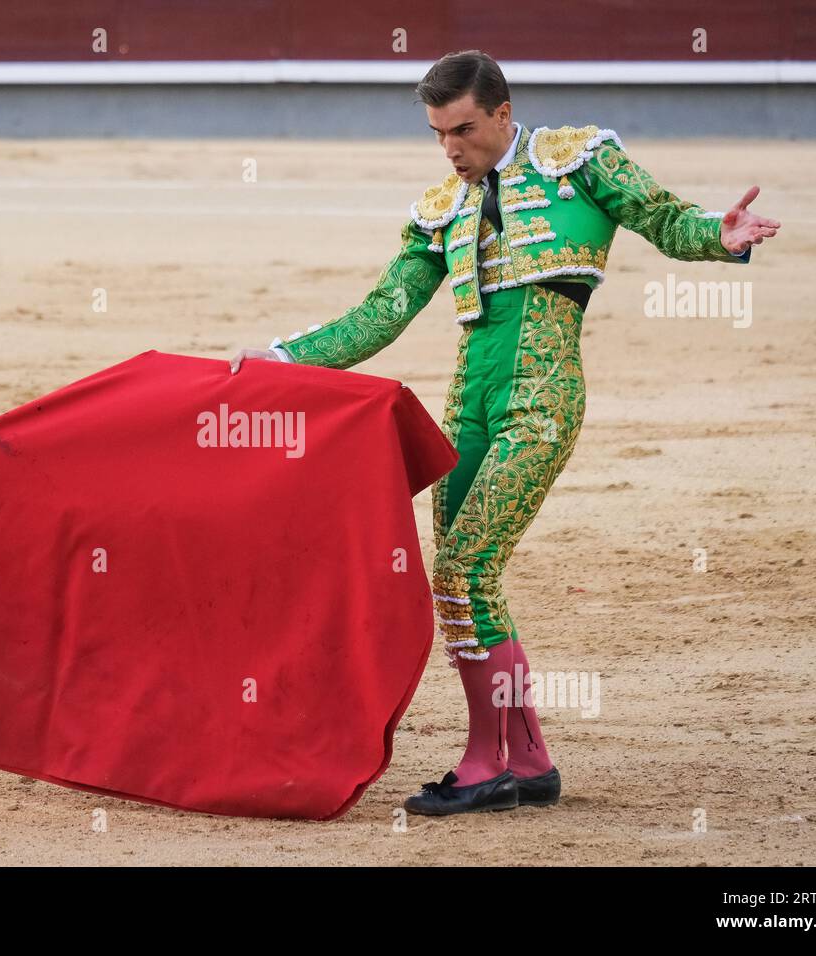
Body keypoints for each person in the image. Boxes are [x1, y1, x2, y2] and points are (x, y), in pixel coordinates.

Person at [229, 50, 780, 816]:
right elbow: (383, 312)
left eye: (462, 130)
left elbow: (665, 218)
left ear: (501, 113)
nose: (451, 149)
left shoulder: (580, 161)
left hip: (541, 399)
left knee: (463, 569)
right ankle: (525, 760)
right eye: (436, 134)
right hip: (470, 406)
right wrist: (284, 357)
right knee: (458, 579)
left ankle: (487, 760)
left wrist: (719, 236)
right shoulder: (442, 206)